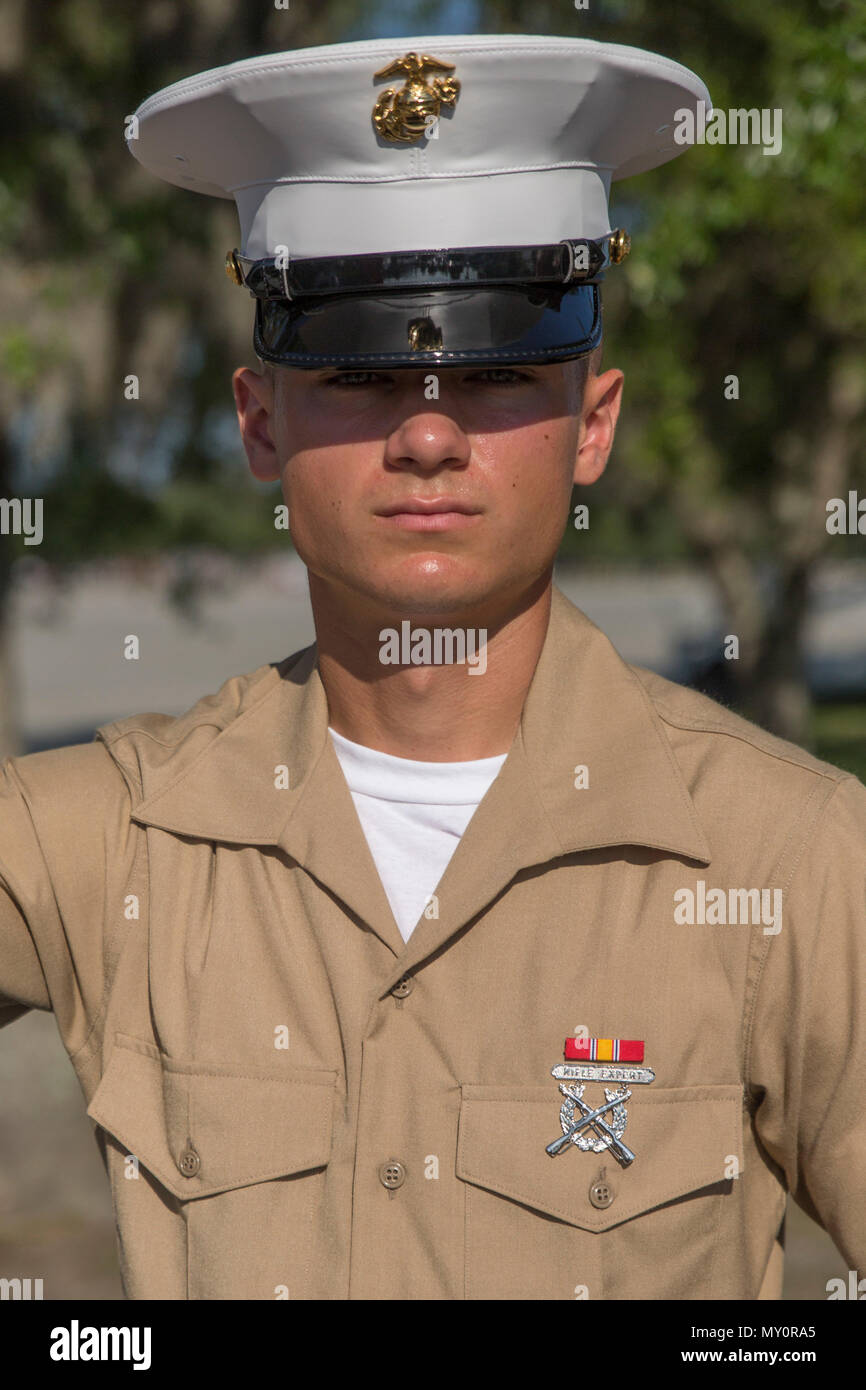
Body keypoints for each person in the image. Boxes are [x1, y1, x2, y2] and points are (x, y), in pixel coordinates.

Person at [1, 32, 864, 1302]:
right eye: (355, 371)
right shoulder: (107, 842)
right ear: (257, 421)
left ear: (595, 426)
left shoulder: (787, 857)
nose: (424, 432)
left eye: (496, 369)